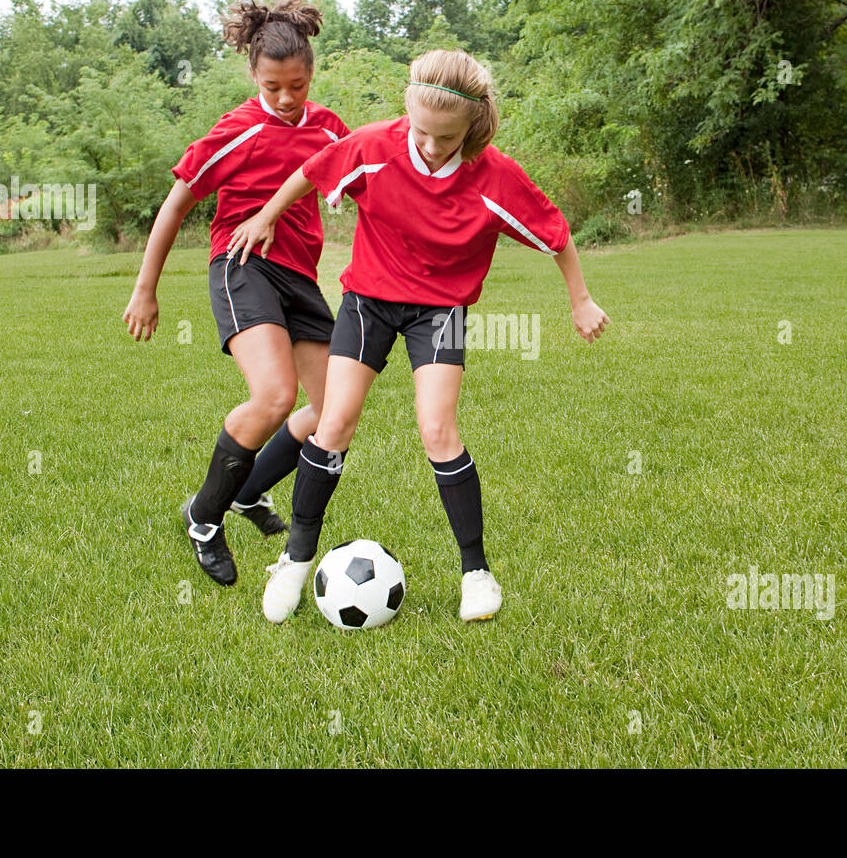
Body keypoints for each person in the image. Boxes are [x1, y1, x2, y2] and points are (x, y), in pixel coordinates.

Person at [227, 48, 610, 622]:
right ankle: (295, 557)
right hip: (368, 301)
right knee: (333, 422)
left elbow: (556, 234)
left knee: (437, 430)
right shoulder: (376, 146)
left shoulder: (495, 175)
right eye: (423, 132)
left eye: (447, 138)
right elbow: (313, 170)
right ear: (409, 113)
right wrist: (268, 215)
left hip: (439, 310)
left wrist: (580, 299)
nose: (430, 146)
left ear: (473, 128)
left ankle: (476, 573)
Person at [123, 0, 348, 586]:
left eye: (296, 85)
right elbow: (176, 204)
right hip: (241, 265)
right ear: (253, 74)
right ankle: (204, 516)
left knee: (332, 412)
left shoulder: (329, 128)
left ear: (311, 74)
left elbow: (366, 182)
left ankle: (246, 494)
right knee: (274, 396)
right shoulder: (237, 130)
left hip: (300, 277)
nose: (284, 97)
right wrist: (146, 288)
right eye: (272, 85)